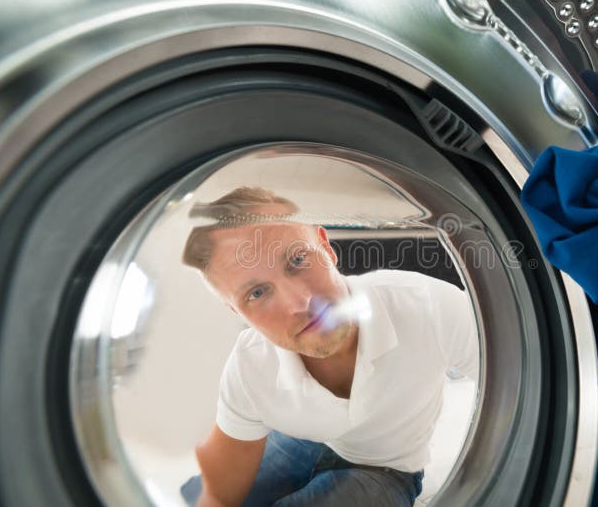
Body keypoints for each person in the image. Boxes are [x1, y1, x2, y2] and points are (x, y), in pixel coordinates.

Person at [179, 187, 479, 507]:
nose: (301, 303)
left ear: (325, 247)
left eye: (297, 259)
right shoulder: (249, 365)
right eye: (257, 293)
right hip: (302, 442)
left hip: (387, 468)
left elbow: (530, 386)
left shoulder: (431, 306)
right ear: (238, 312)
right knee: (198, 493)